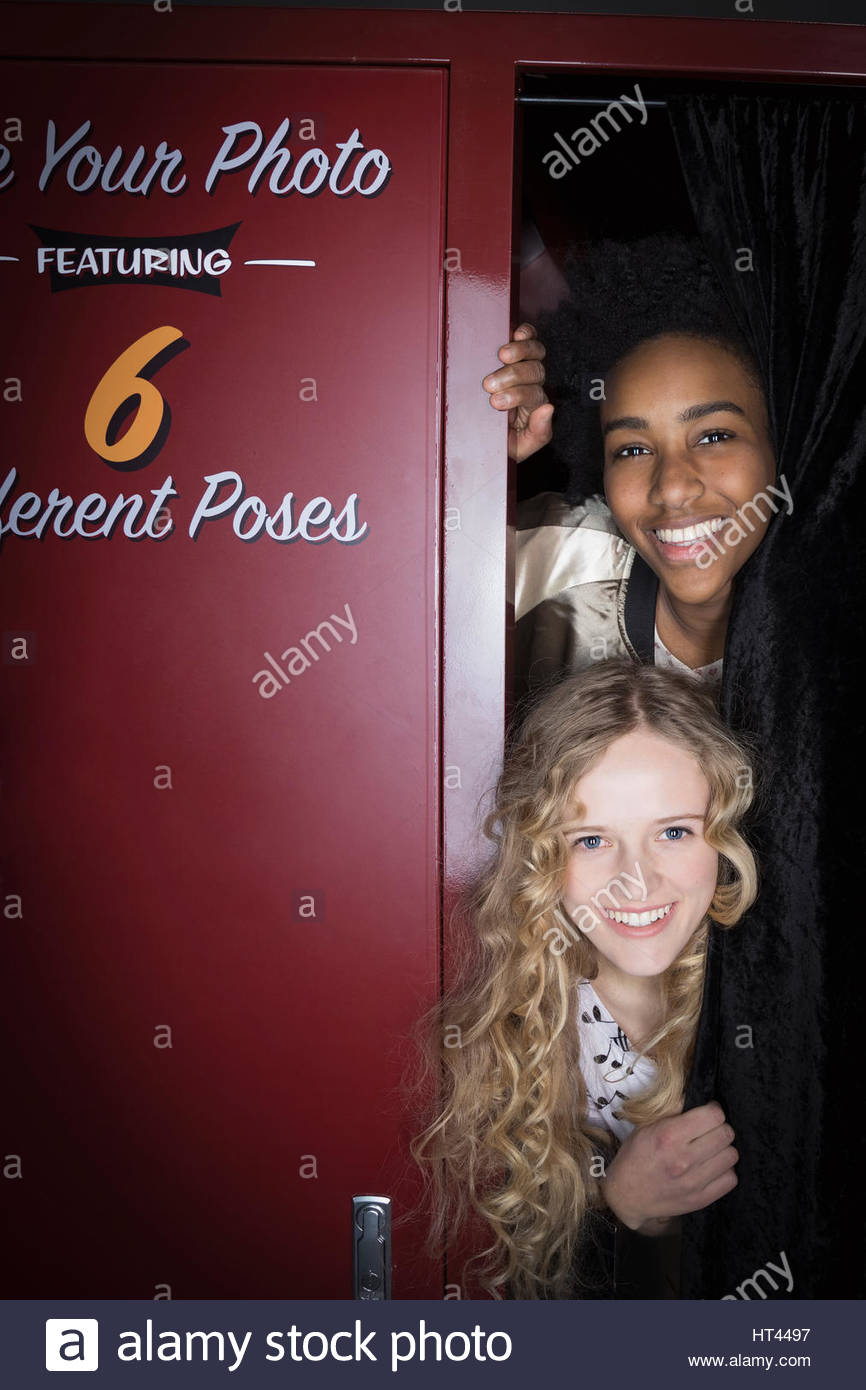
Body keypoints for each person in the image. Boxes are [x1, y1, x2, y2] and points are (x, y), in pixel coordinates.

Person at [410, 659, 758, 1299]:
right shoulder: (522, 1025)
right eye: (592, 841)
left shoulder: (775, 993)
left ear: (725, 836)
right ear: (542, 856)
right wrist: (614, 1199)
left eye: (674, 831)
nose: (639, 880)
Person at [482, 234, 781, 705]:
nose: (673, 487)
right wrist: (470, 468)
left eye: (714, 437)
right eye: (633, 450)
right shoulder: (545, 559)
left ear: (780, 445)